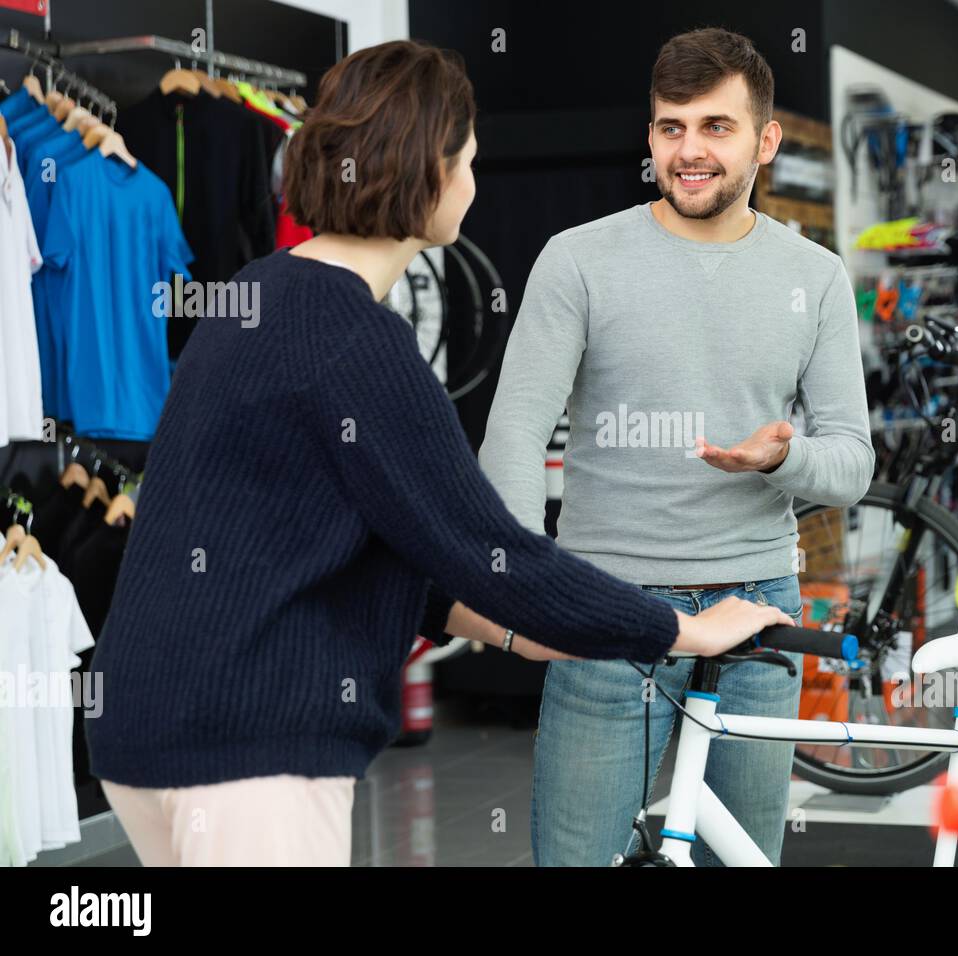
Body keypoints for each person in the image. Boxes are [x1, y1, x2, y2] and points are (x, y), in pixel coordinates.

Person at [84, 39, 793, 868]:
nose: (474, 184)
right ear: (428, 170)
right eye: (468, 161)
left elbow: (330, 536)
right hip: (249, 747)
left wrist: (503, 631)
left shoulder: (261, 294)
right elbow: (499, 556)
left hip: (144, 728)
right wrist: (687, 630)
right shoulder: (358, 343)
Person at [479, 28, 874, 866]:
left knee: (746, 857)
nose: (689, 151)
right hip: (609, 607)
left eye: (715, 127)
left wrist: (784, 458)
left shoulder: (817, 276)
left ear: (765, 140)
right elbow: (513, 432)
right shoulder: (577, 260)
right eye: (670, 127)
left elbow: (850, 462)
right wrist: (522, 590)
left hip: (761, 617)